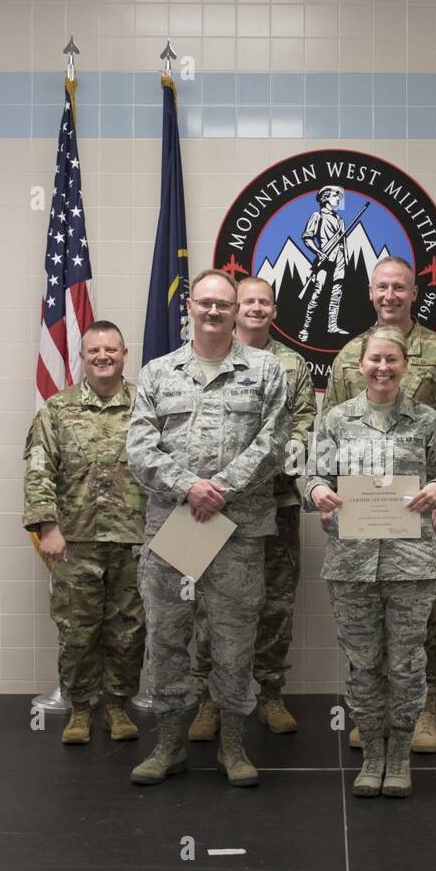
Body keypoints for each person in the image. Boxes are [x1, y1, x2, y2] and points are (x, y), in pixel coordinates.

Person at [126, 269, 289, 787]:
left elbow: (275, 440)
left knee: (235, 638)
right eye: (206, 303)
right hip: (173, 527)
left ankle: (233, 746)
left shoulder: (266, 371)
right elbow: (139, 449)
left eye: (225, 304)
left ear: (238, 309)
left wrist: (220, 487)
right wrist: (188, 487)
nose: (215, 312)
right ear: (190, 308)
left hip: (237, 530)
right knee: (167, 637)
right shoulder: (157, 373)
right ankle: (170, 744)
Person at [322, 256, 436, 752]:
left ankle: (423, 710)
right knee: (364, 619)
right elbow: (327, 431)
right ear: (370, 294)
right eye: (382, 288)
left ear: (415, 293)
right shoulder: (351, 354)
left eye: (400, 288)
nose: (391, 295)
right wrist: (324, 493)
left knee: (424, 615)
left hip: (420, 519)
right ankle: (372, 713)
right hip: (359, 525)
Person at [307, 325, 436, 798]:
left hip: (411, 564)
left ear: (406, 365)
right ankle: (372, 752)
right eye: (375, 359)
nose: (383, 368)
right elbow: (311, 474)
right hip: (351, 564)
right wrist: (318, 493)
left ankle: (400, 758)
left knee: (409, 665)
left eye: (392, 359)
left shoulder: (427, 421)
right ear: (360, 365)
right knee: (364, 665)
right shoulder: (334, 420)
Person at [188, 276, 317, 737]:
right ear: (233, 307)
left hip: (276, 501)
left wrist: (263, 466)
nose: (256, 308)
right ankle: (209, 699)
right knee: (209, 605)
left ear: (274, 310)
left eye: (265, 302)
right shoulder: (205, 358)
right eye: (248, 301)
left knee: (275, 602)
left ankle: (270, 693)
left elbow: (303, 426)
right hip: (212, 505)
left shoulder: (292, 365)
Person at [22, 321, 147, 745]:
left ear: (124, 353)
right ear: (82, 356)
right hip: (75, 540)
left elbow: (165, 469)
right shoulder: (57, 410)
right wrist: (47, 527)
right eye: (94, 350)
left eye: (111, 349)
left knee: (128, 630)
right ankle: (79, 708)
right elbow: (39, 469)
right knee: (78, 629)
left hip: (135, 539)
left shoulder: (147, 408)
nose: (103, 357)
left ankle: (116, 706)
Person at [298, 185, 348, 343]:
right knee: (317, 293)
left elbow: (344, 243)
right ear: (325, 198)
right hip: (324, 260)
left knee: (336, 293)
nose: (338, 199)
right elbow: (307, 237)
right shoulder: (317, 216)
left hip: (339, 259)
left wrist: (345, 259)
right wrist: (319, 253)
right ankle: (305, 328)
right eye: (334, 195)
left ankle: (332, 326)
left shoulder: (340, 220)